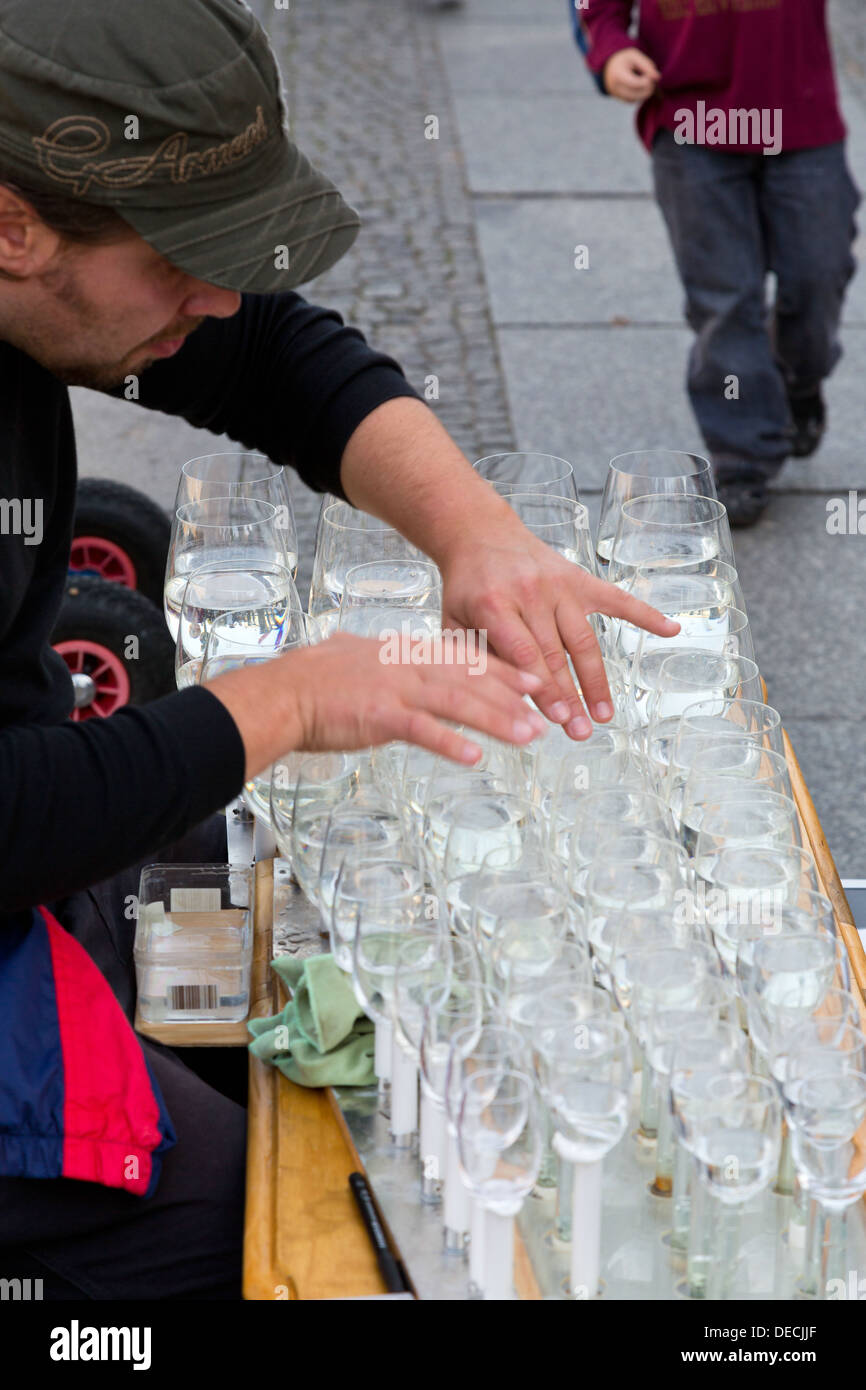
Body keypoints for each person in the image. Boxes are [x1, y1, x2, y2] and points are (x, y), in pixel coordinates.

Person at [0, 0, 675, 1298]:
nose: (217, 291)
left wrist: (475, 533)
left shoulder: (66, 276)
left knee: (286, 882)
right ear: (17, 225)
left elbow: (258, 347)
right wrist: (288, 702)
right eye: (182, 257)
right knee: (234, 1222)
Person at [577, 0, 860, 526]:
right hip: (691, 126)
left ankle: (797, 380)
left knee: (818, 275)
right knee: (724, 297)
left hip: (802, 115)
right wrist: (612, 49)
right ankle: (743, 454)